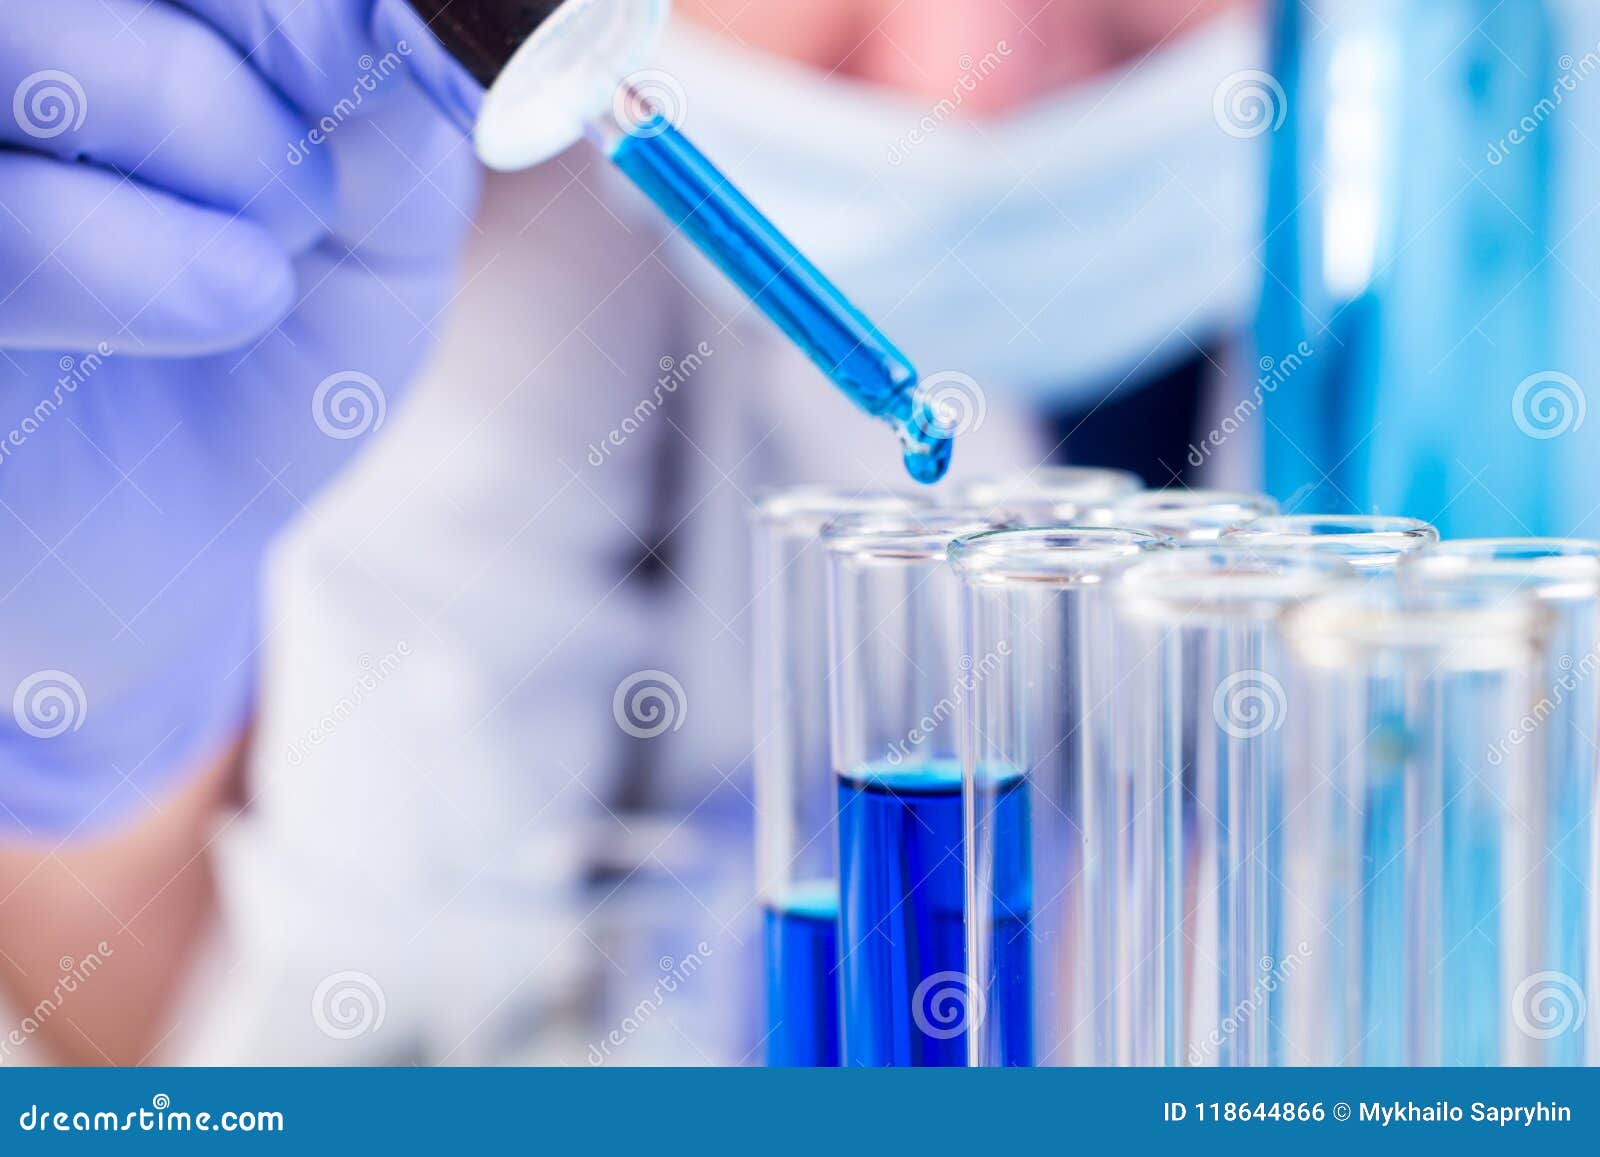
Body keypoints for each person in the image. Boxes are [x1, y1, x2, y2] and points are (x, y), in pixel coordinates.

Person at [0, 0, 1260, 1064]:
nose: (963, 87)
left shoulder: (1373, 334)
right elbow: (312, 1030)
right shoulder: (435, 246)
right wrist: (77, 714)